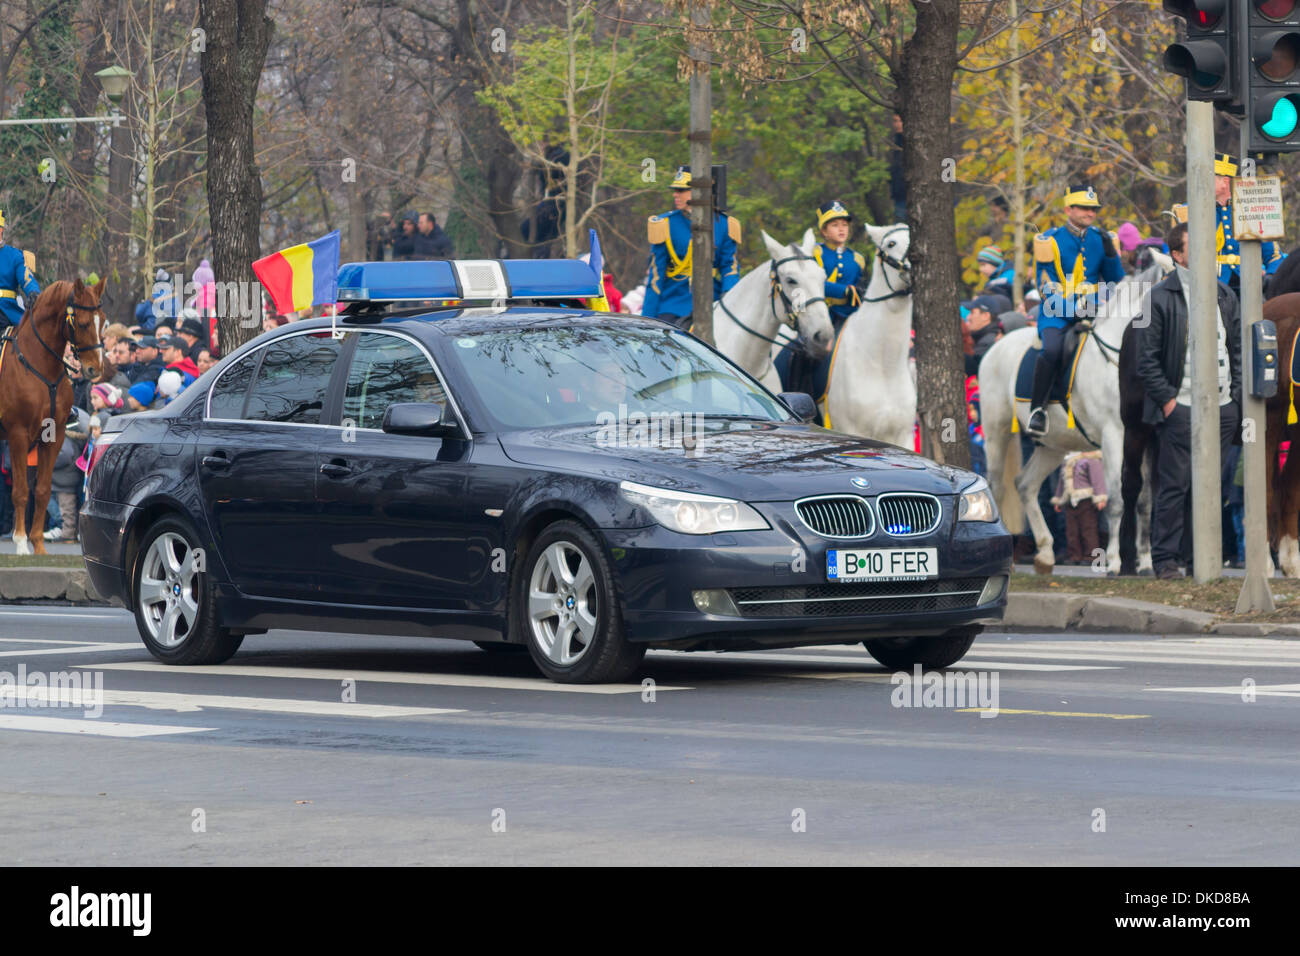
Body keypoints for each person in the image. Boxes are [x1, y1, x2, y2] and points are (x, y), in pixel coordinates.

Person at [1136, 222, 1241, 579]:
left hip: (1223, 408)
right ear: (1177, 255)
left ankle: (1202, 559)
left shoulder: (1225, 293)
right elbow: (1144, 358)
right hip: (1180, 407)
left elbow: (1238, 349)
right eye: (1195, 247)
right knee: (1174, 487)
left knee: (1212, 486)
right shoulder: (1157, 298)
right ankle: (1165, 561)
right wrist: (1168, 401)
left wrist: (1236, 401)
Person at [1028, 183, 1125, 436]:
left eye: (1093, 209)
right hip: (1057, 314)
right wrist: (1074, 311)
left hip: (1095, 310)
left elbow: (1116, 281)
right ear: (1068, 208)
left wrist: (1111, 254)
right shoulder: (1049, 240)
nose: (1090, 213)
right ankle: (1038, 410)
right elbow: (1045, 288)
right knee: (1052, 350)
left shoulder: (1101, 238)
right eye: (1084, 208)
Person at [641, 165, 740, 328]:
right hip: (674, 304)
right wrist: (647, 319)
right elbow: (656, 276)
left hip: (712, 301)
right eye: (675, 190)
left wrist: (729, 298)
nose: (675, 194)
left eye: (681, 190)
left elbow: (730, 267)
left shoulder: (724, 225)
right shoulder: (664, 224)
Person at [1211, 153, 1283, 295]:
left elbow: (1274, 256)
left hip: (1249, 287)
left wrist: (1270, 276)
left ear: (1224, 182)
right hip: (1211, 289)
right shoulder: (1191, 212)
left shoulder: (1251, 210)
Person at [1051, 450, 1108, 565]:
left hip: (1085, 499)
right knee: (1072, 531)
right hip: (1070, 500)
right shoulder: (1068, 460)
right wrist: (1058, 499)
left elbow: (1098, 480)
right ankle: (1074, 555)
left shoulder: (1092, 460)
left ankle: (1091, 556)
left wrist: (1100, 498)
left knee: (1088, 529)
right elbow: (1062, 482)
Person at [0, 209, 40, 338]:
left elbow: (26, 279)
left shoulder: (15, 256)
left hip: (6, 310)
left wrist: (33, 292)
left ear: (1, 230)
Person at [962, 295, 1004, 377]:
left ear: (985, 316)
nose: (968, 317)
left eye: (972, 312)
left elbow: (976, 370)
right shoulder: (982, 338)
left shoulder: (988, 342)